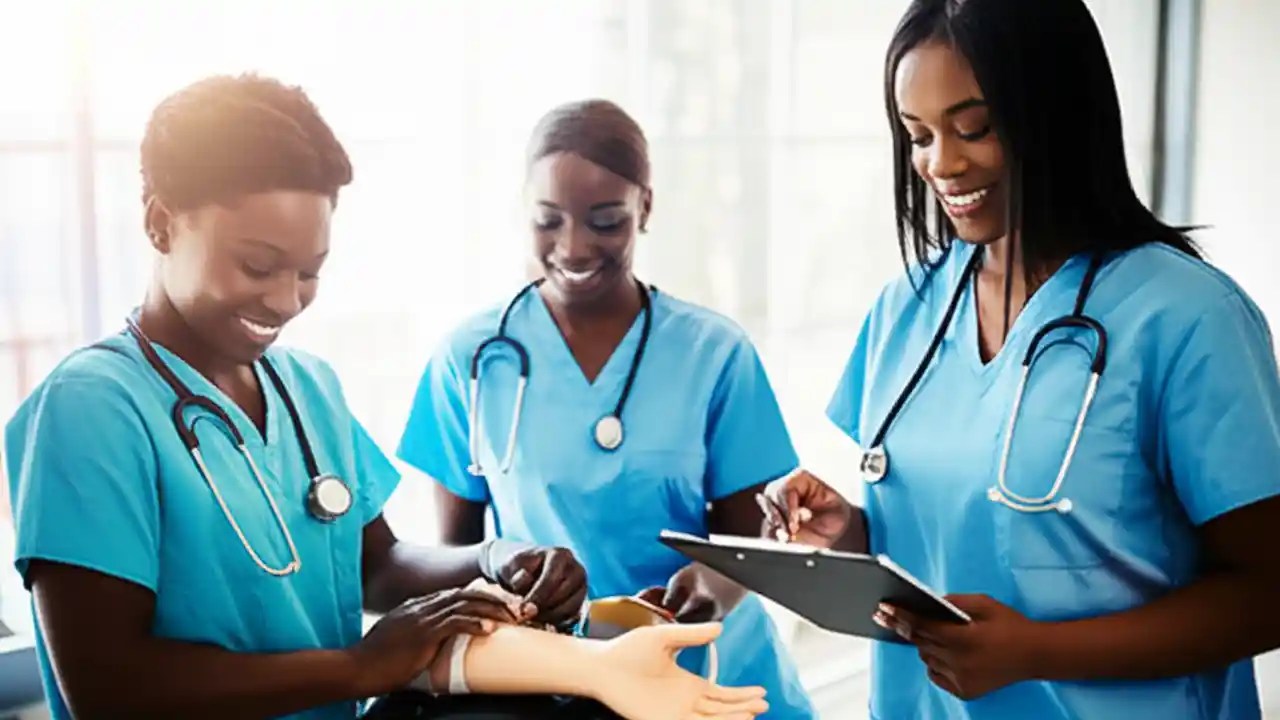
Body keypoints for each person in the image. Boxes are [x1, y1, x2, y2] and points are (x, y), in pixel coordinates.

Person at [2, 74, 763, 720]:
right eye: (258, 264)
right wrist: (358, 669)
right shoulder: (90, 411)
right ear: (161, 222)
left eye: (310, 270)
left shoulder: (306, 389)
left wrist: (498, 559)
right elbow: (105, 685)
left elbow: (380, 566)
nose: (286, 299)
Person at [761, 0, 1280, 718]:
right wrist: (846, 534)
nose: (941, 164)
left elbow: (1266, 593)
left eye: (973, 127)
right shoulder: (907, 307)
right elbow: (948, 532)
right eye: (918, 136)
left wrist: (1038, 652)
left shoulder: (1186, 316)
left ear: (1058, 114)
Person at [397, 99, 816, 717]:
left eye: (605, 221)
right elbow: (457, 561)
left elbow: (747, 540)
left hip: (705, 669)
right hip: (555, 682)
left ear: (644, 207)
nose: (574, 246)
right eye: (548, 221)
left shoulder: (714, 353)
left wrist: (716, 587)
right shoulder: (474, 358)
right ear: (523, 209)